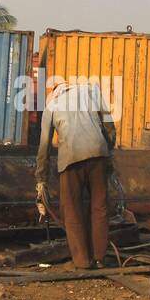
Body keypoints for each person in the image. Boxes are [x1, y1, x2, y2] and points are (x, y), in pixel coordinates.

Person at [35, 79, 117, 270]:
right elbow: (110, 128)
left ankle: (81, 262)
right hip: (98, 155)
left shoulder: (51, 105)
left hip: (71, 159)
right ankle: (99, 258)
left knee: (71, 210)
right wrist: (109, 153)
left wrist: (41, 179)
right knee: (99, 207)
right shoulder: (91, 93)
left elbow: (44, 147)